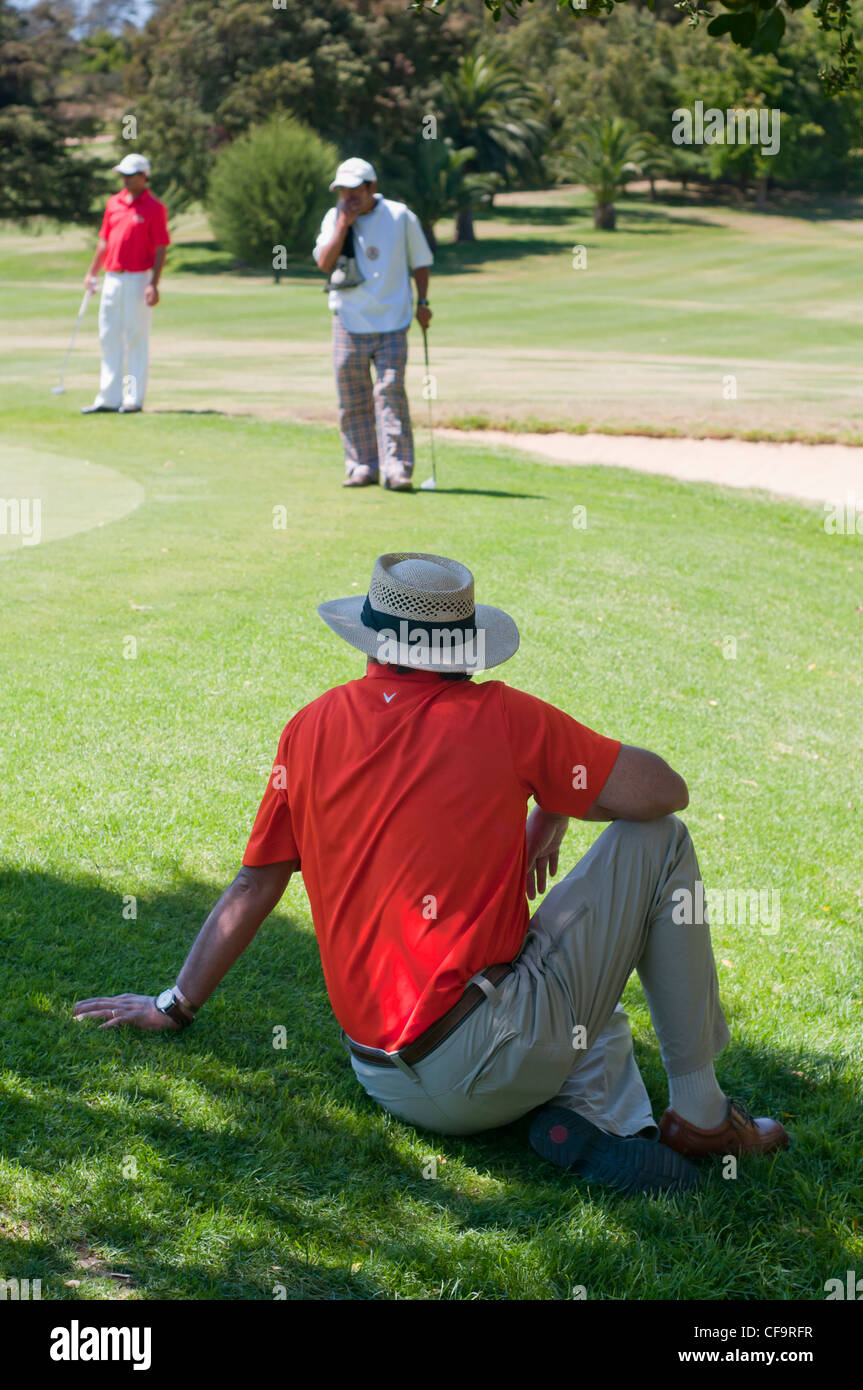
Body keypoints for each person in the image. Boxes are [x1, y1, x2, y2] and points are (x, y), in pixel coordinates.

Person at [73, 553, 789, 1197]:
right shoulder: (505, 718)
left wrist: (174, 1004)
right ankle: (698, 1113)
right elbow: (663, 791)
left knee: (582, 995)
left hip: (384, 1075)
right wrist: (556, 795)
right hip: (489, 1058)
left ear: (373, 639)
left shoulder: (309, 726)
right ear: (464, 647)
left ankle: (603, 1122)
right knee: (658, 842)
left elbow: (254, 886)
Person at [313, 158, 433, 491]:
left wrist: (423, 302)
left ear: (372, 188)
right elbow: (324, 263)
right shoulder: (334, 218)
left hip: (393, 320)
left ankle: (397, 467)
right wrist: (342, 225)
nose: (347, 197)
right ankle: (362, 465)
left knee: (390, 392)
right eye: (342, 191)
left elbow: (420, 262)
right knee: (352, 398)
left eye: (354, 190)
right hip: (348, 321)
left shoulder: (400, 216)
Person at [81, 153, 170, 415]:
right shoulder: (113, 203)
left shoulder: (155, 208)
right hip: (112, 277)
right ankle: (108, 397)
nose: (126, 180)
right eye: (124, 175)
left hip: (138, 278)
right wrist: (91, 273)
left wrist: (153, 283)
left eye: (131, 175)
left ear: (144, 177)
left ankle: (133, 398)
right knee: (108, 337)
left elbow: (161, 248)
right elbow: (104, 242)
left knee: (135, 337)